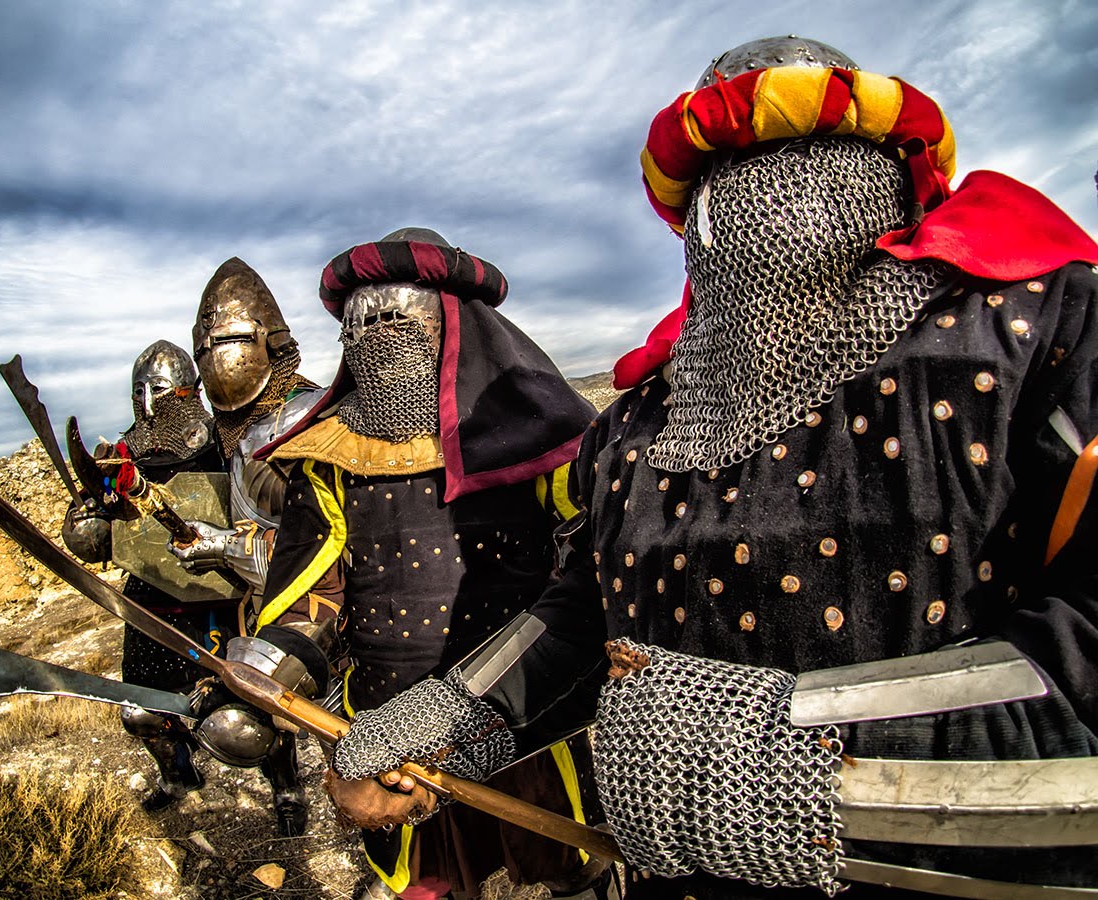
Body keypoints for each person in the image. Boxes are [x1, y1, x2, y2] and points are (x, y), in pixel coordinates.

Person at [318, 37, 1098, 898]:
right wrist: (455, 717)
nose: (773, 206)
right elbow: (590, 612)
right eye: (736, 179)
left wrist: (792, 763)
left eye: (804, 165)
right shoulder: (642, 423)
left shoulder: (1041, 335)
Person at [253, 227, 610, 899]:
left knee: (568, 860)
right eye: (360, 328)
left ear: (452, 328)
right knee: (429, 880)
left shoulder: (534, 435)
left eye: (395, 322)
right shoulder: (330, 454)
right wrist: (279, 662)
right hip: (387, 713)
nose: (377, 341)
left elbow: (589, 559)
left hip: (521, 693)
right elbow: (313, 587)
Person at [167, 256, 335, 837]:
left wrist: (223, 547)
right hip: (259, 604)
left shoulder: (311, 419)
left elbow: (319, 549)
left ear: (272, 342)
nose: (220, 359)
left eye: (233, 341)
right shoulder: (229, 436)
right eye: (206, 346)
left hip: (328, 611)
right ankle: (292, 790)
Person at [62, 339, 232, 813]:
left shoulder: (220, 441)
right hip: (147, 594)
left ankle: (285, 786)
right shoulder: (121, 453)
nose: (146, 401)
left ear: (184, 392)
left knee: (244, 711)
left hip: (215, 591)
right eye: (139, 391)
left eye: (154, 390)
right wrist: (89, 522)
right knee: (140, 710)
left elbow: (249, 506)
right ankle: (178, 775)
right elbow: (100, 530)